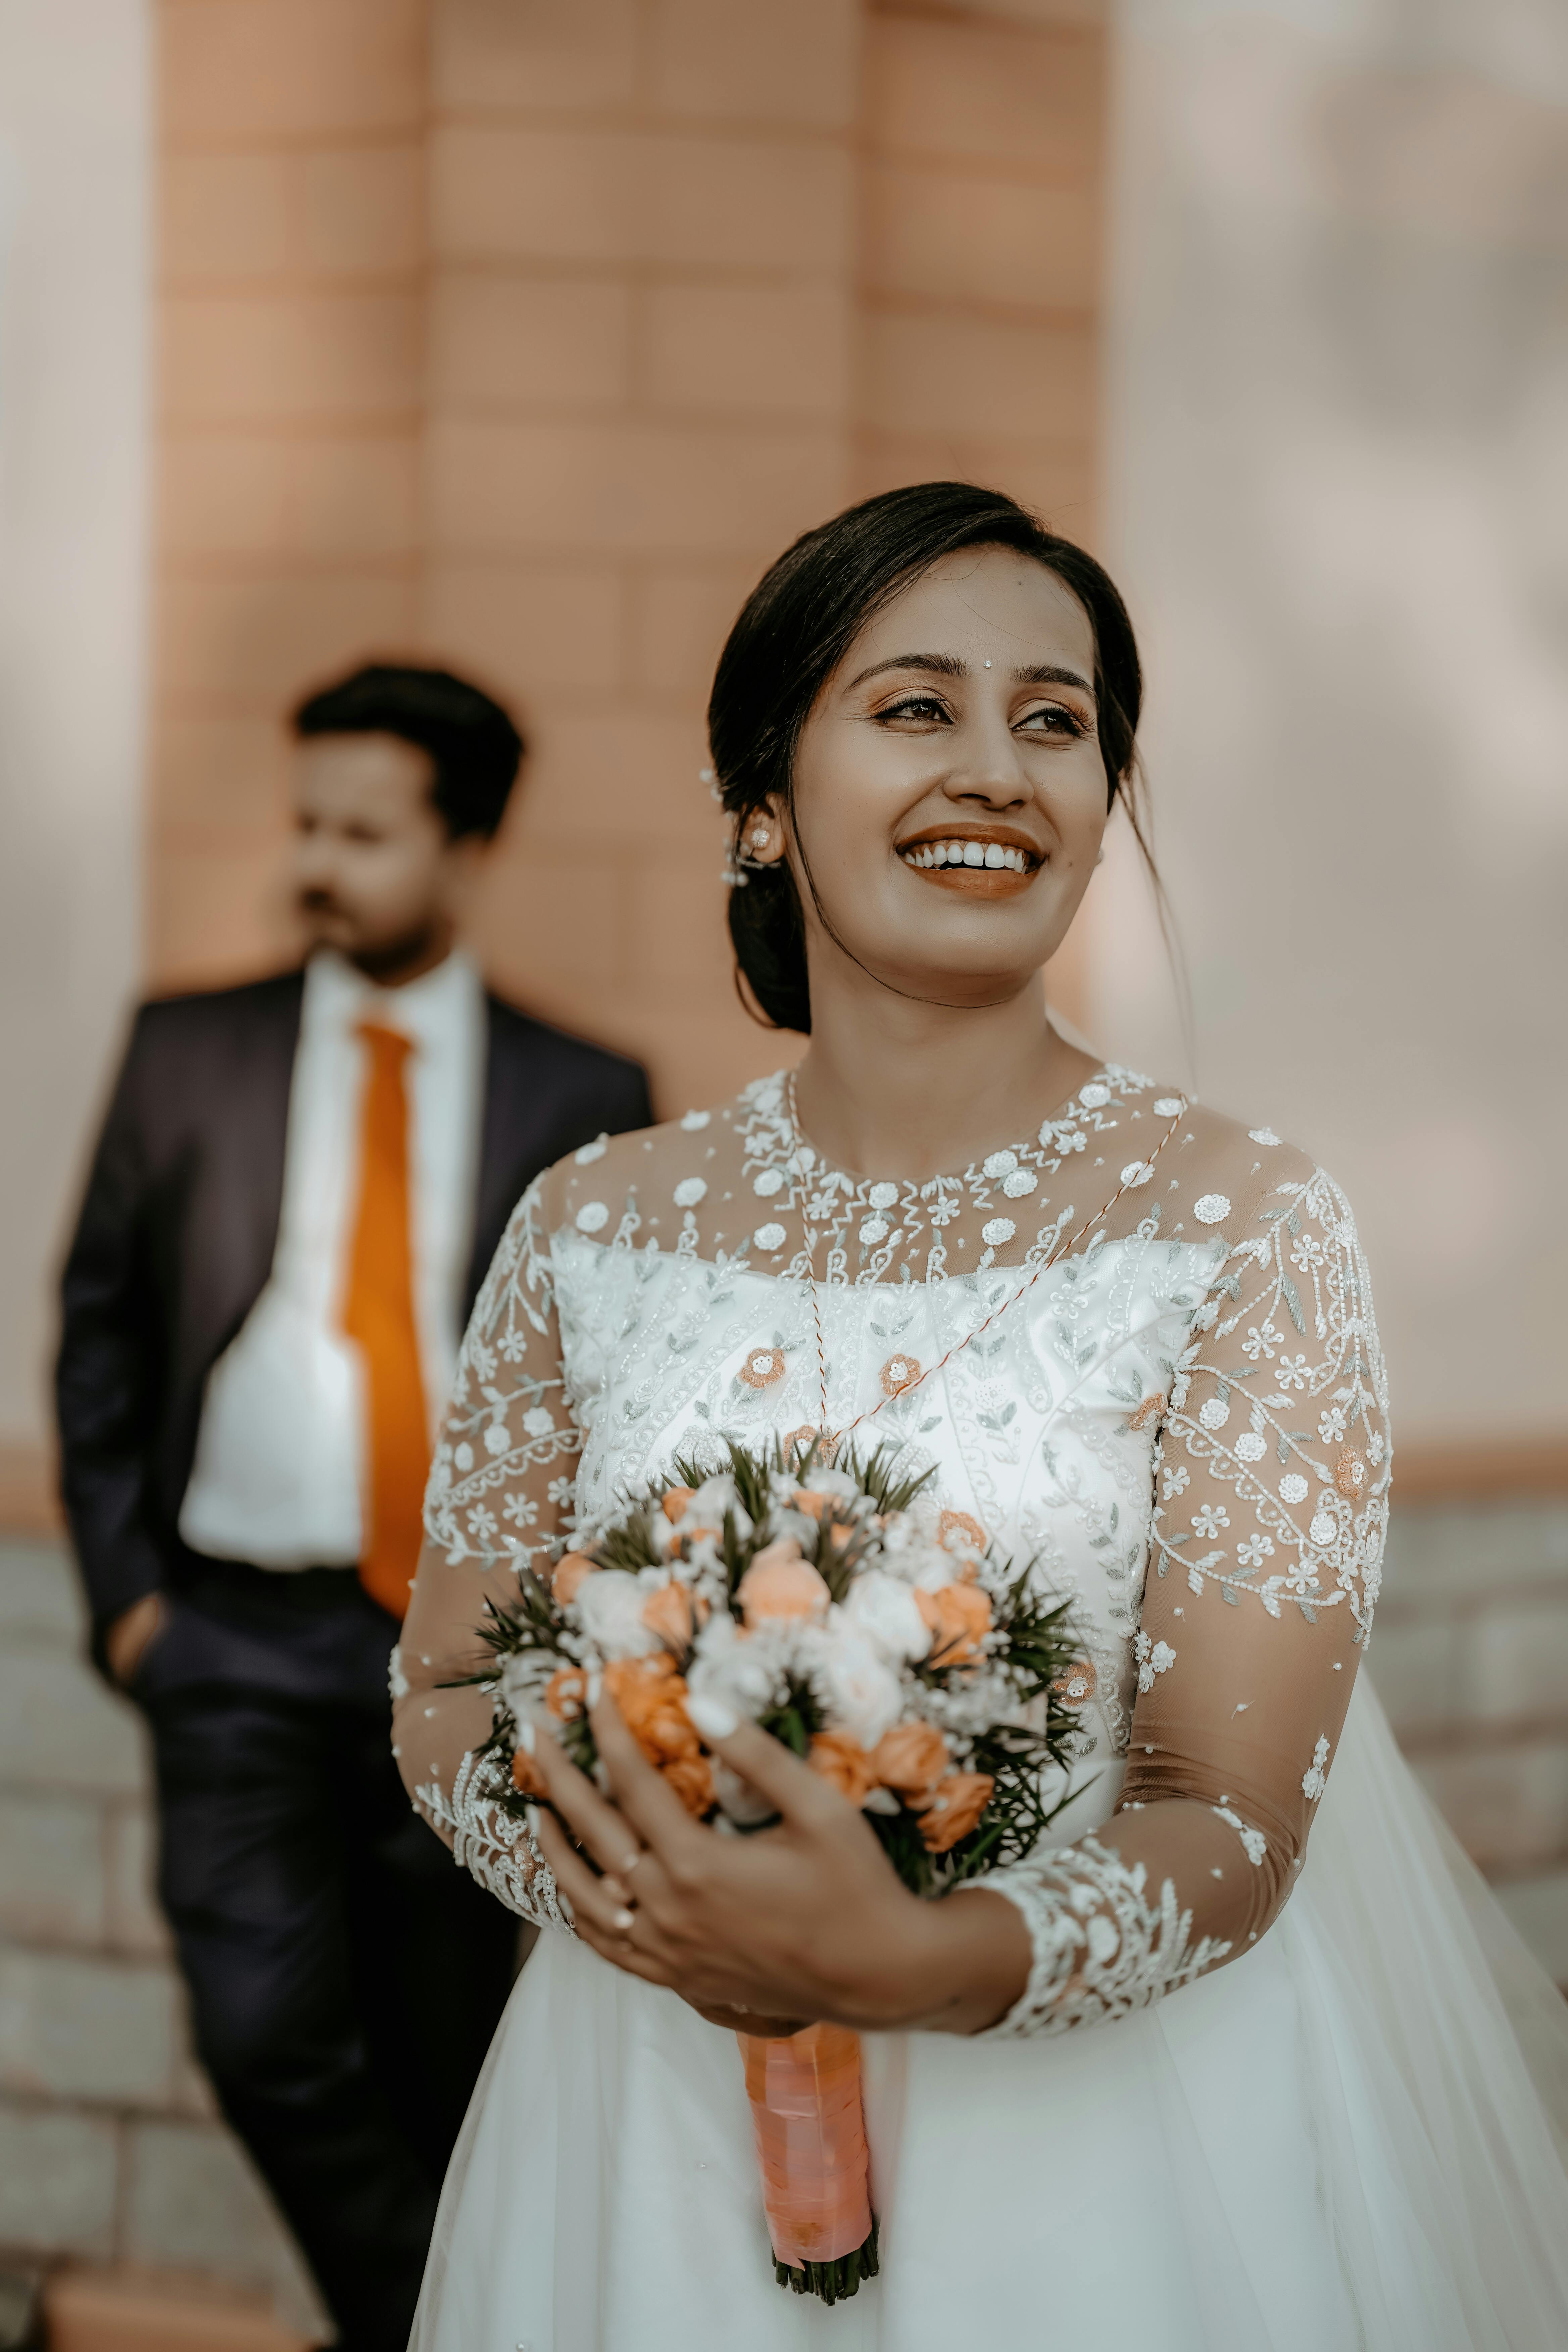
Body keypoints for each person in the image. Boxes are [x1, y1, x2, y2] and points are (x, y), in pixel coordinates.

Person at [394, 491, 1568, 2350]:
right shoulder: (590, 1228)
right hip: (656, 2115)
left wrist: (930, 1958)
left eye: (1059, 719)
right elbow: (450, 1684)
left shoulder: (1242, 1227)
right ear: (764, 799)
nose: (1001, 768)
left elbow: (1233, 1809)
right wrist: (669, 1914)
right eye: (918, 706)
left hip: (1121, 2164)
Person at [55, 662, 652, 2352]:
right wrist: (128, 1605)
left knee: (443, 2056)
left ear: (466, 845)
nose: (319, 861)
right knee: (261, 2035)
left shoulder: (585, 1086)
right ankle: (446, 2329)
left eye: (365, 832)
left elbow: (626, 1388)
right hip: (229, 1635)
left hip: (462, 1659)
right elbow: (97, 1332)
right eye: (306, 822)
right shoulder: (186, 1048)